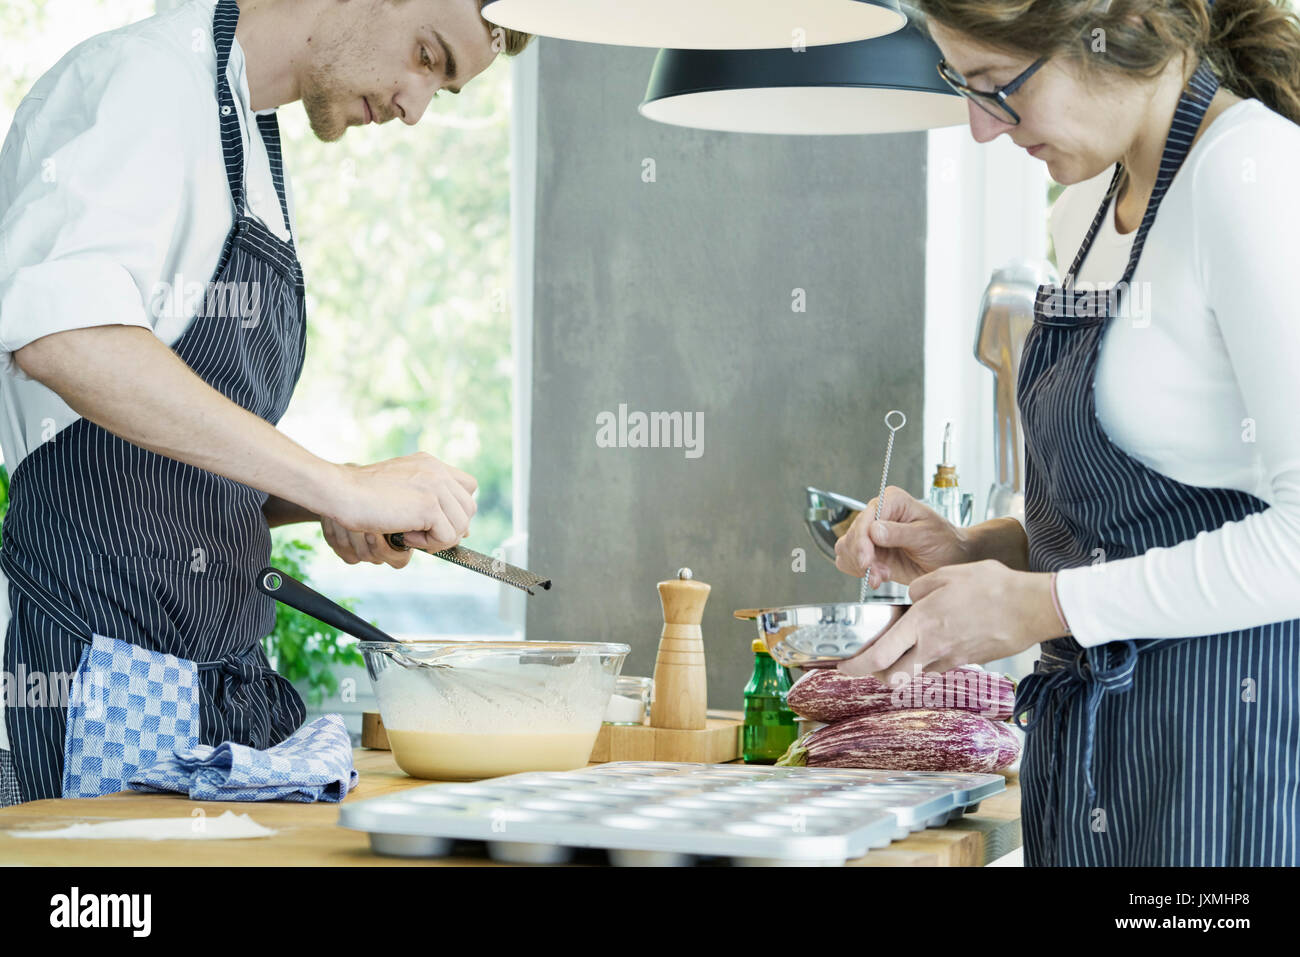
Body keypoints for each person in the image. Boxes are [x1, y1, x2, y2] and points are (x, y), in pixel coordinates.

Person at [0, 0, 532, 805]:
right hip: (96, 677)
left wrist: (334, 491)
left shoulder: (248, 138)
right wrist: (338, 484)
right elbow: (66, 338)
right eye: (427, 57)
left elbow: (174, 462)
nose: (415, 108)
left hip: (220, 690)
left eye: (444, 90)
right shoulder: (147, 83)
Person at [835, 0, 1300, 866]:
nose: (979, 129)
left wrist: (1040, 606)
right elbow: (1112, 532)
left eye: (996, 87)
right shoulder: (1083, 209)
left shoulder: (1253, 178)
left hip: (1230, 770)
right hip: (1091, 770)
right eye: (960, 86)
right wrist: (979, 552)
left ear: (1113, 24)